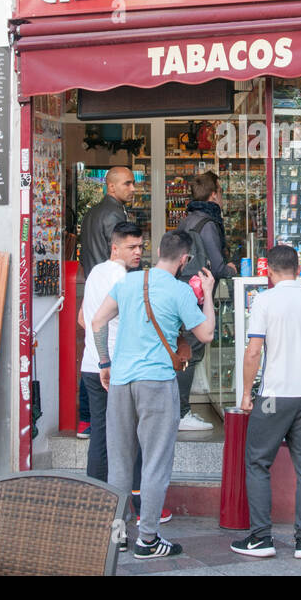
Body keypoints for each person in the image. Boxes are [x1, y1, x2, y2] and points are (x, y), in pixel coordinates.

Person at [92, 230, 215, 559]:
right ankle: (147, 539)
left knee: (118, 463)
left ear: (159, 251)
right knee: (155, 463)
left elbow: (98, 320)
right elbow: (206, 332)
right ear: (184, 260)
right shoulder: (180, 291)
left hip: (120, 381)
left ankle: (117, 535)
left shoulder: (129, 282)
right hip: (157, 383)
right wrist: (210, 296)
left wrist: (105, 361)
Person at [232, 245, 301, 560]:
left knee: (257, 462)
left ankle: (261, 538)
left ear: (268, 270)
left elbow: (254, 351)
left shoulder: (265, 301)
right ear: (298, 269)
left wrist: (245, 394)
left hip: (273, 398)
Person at [75, 165, 136, 438]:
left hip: (93, 283)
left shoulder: (92, 212)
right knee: (105, 354)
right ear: (111, 187)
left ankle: (85, 419)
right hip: (108, 289)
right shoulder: (113, 214)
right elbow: (119, 255)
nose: (133, 188)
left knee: (91, 349)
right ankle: (94, 420)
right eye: (127, 184)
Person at [175, 170, 238, 431]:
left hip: (183, 289)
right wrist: (231, 269)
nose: (221, 198)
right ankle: (182, 412)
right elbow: (218, 264)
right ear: (214, 195)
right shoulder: (209, 224)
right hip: (198, 293)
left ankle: (179, 408)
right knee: (191, 350)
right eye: (220, 193)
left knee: (184, 348)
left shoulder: (186, 220)